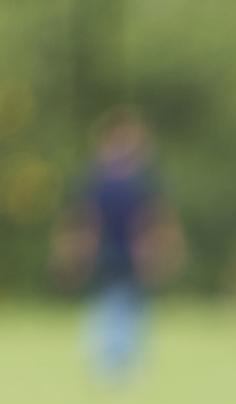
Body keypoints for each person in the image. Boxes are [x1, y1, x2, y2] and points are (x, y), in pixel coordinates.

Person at [50, 107, 183, 384]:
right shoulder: (103, 179)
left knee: (122, 306)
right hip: (112, 253)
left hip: (123, 254)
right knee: (113, 306)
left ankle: (115, 363)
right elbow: (87, 219)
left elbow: (150, 220)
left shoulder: (129, 180)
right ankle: (112, 364)